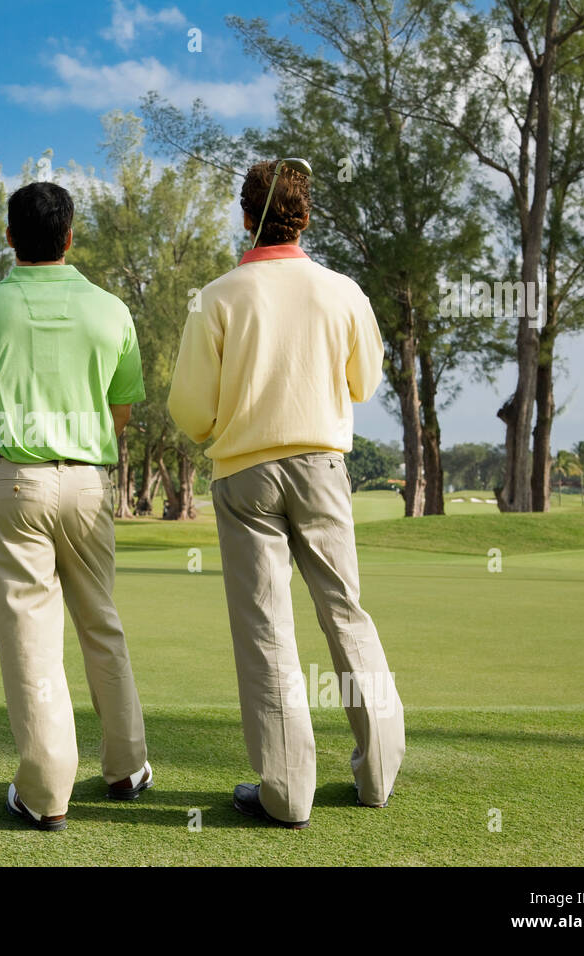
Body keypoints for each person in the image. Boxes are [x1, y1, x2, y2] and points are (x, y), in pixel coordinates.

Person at [168, 160, 405, 829]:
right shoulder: (342, 291)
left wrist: (226, 427)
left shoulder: (215, 296)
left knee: (267, 628)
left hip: (244, 475)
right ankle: (378, 774)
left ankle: (286, 793)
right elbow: (363, 383)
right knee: (345, 614)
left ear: (247, 216)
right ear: (306, 218)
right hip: (323, 467)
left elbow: (189, 408)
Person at [0, 181, 152, 831]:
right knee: (102, 624)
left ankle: (45, 796)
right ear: (70, 236)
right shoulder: (111, 310)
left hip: (16, 483)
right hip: (90, 483)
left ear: (9, 235)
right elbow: (120, 413)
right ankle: (126, 768)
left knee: (31, 640)